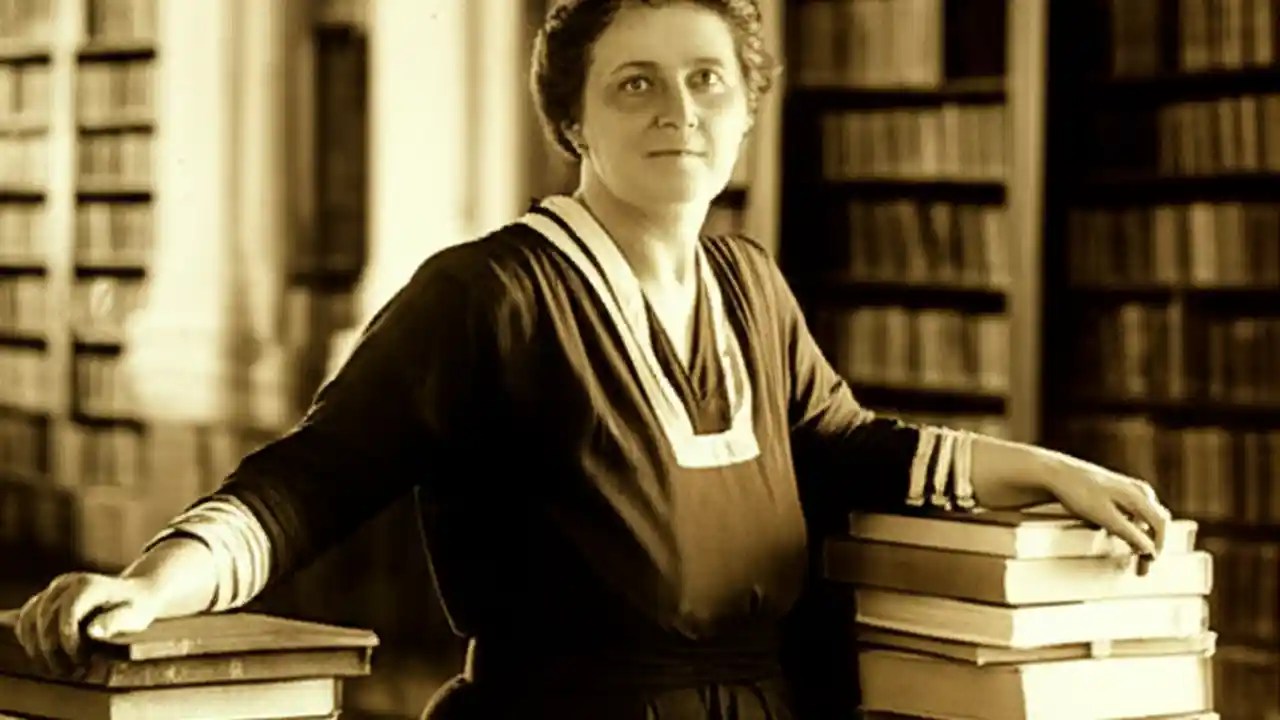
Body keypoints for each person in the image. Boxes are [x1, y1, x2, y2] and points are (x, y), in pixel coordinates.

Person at [12, 1, 1171, 718]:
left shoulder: (747, 283)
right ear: (570, 119)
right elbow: (312, 478)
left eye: (705, 79)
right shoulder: (485, 292)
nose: (678, 110)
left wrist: (1045, 470)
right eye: (635, 83)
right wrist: (150, 587)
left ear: (747, 111)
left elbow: (845, 446)